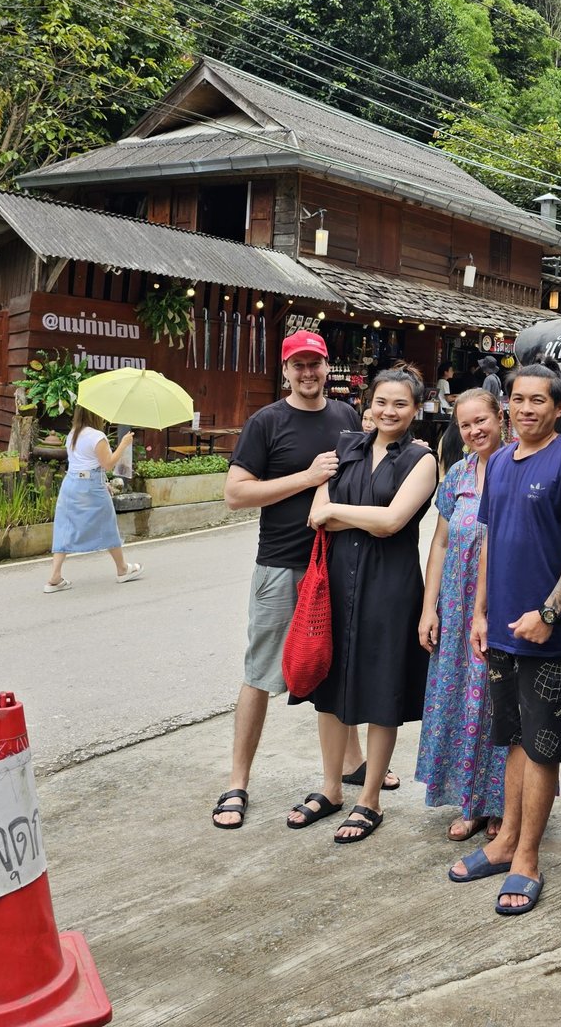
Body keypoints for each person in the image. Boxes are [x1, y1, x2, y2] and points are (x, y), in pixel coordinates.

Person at [449, 360, 561, 916]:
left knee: (540, 748)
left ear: (559, 408)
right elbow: (490, 540)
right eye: (518, 398)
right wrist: (481, 612)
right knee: (512, 738)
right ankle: (506, 838)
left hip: (546, 636)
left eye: (539, 400)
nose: (526, 408)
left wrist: (547, 613)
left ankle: (527, 859)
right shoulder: (502, 465)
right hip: (502, 632)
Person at [210, 330, 361, 830]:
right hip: (281, 566)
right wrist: (307, 477)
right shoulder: (266, 423)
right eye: (298, 365)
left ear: (325, 365)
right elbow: (235, 494)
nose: (308, 373)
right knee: (261, 674)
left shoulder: (346, 416)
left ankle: (350, 765)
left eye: (315, 363)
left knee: (338, 666)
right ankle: (237, 782)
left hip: (337, 562)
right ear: (285, 371)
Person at [295, 364, 439, 842]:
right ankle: (331, 788)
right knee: (331, 689)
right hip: (337, 583)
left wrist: (338, 510)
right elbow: (318, 515)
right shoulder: (344, 448)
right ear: (367, 404)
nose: (389, 411)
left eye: (400, 404)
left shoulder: (422, 459)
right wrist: (340, 513)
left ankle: (369, 798)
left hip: (391, 588)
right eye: (381, 402)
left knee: (381, 692)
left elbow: (393, 522)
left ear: (416, 409)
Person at [416, 389, 508, 842]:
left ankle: (503, 805)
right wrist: (428, 607)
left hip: (502, 607)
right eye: (466, 425)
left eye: (481, 421)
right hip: (455, 606)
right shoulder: (458, 475)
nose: (474, 431)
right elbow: (441, 543)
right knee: (461, 700)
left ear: (500, 417)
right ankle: (470, 802)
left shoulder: (518, 466)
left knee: (498, 702)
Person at [44, 407, 140, 592]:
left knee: (64, 526)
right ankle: (122, 569)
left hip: (70, 484)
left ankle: (55, 576)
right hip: (90, 486)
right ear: (95, 414)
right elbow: (108, 464)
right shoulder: (97, 437)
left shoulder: (73, 434)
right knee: (108, 523)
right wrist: (124, 443)